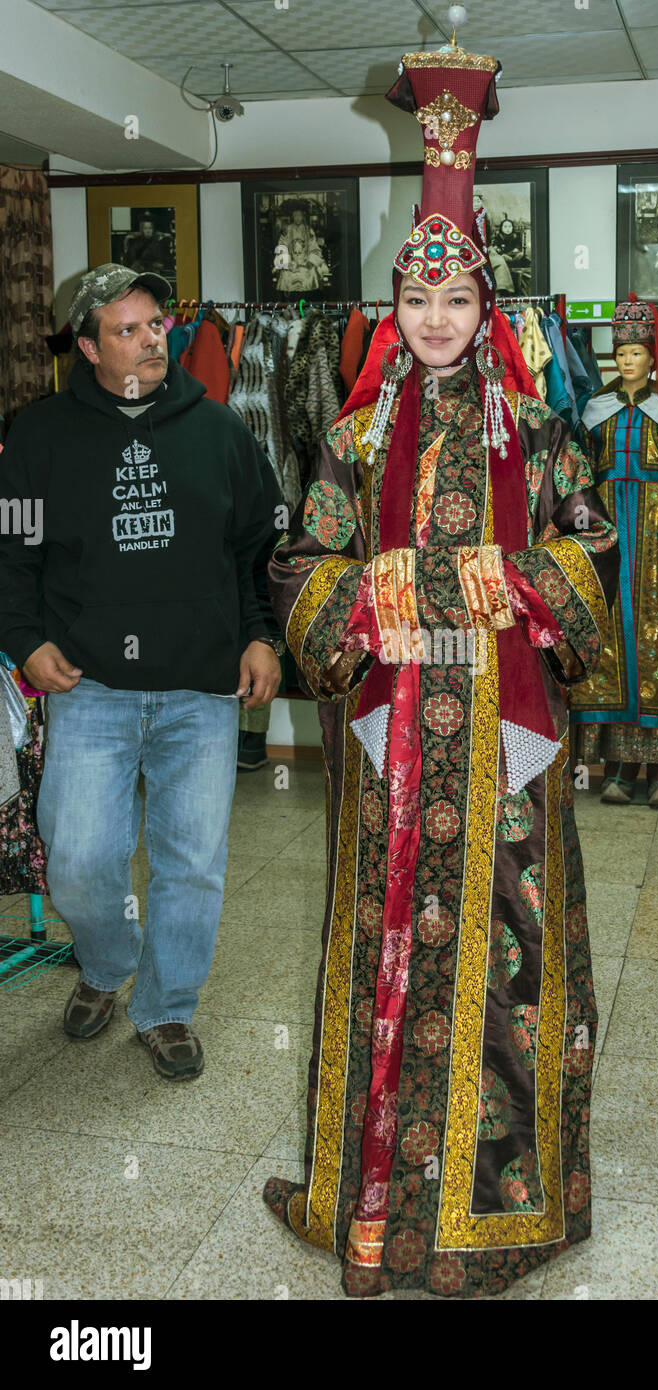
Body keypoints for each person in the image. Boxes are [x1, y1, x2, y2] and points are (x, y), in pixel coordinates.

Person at [261, 35, 619, 1298]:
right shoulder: (356, 437)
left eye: (456, 299)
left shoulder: (538, 429)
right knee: (383, 956)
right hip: (390, 735)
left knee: (505, 964)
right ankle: (370, 1203)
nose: (432, 320)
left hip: (508, 747)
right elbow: (298, 562)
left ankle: (496, 1213)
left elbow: (591, 554)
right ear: (392, 303)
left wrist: (508, 580)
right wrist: (377, 590)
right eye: (414, 298)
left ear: (486, 307)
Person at [0, 263, 285, 1078]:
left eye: (155, 324)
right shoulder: (41, 435)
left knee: (191, 862)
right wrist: (24, 640)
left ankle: (165, 1006)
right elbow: (11, 554)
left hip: (202, 688)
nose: (152, 340)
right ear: (88, 347)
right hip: (89, 688)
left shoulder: (220, 430)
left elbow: (257, 551)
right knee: (81, 856)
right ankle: (106, 958)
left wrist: (262, 636)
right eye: (127, 330)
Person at [573, 294, 658, 807]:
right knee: (612, 632)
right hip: (610, 531)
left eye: (637, 352)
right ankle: (621, 767)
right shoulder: (595, 409)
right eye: (620, 351)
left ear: (655, 356)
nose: (627, 360)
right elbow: (580, 479)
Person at [274, 207, 331, 293]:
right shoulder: (287, 230)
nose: (297, 218)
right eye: (295, 215)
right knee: (285, 274)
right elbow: (282, 245)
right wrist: (287, 262)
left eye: (299, 215)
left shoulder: (309, 230)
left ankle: (308, 299)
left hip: (306, 262)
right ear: (292, 217)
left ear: (303, 217)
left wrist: (311, 261)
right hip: (291, 262)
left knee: (311, 273)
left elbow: (314, 247)